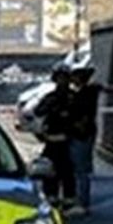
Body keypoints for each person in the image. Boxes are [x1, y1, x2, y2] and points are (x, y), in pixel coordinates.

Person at [36, 65, 74, 207]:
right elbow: (38, 111)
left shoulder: (73, 98)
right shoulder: (51, 97)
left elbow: (78, 117)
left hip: (68, 140)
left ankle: (69, 198)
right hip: (51, 139)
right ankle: (51, 195)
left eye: (65, 78)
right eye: (59, 78)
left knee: (67, 170)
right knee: (49, 168)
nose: (62, 81)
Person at [67, 64, 101, 216]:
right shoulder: (90, 93)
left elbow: (82, 116)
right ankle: (82, 201)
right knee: (83, 169)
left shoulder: (83, 96)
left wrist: (76, 126)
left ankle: (81, 202)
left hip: (81, 135)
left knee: (80, 169)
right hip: (86, 133)